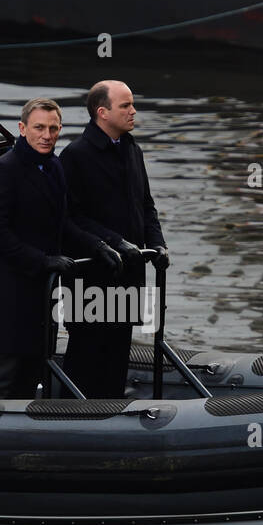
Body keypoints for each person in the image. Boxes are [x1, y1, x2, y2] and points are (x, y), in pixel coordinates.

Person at [0, 97, 121, 400]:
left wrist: (97, 245)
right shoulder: (3, 170)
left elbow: (63, 221)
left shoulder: (54, 165)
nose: (47, 135)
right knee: (3, 375)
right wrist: (43, 261)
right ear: (22, 128)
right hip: (11, 293)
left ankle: (22, 439)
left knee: (33, 373)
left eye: (54, 128)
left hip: (44, 292)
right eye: (39, 128)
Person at [59, 80, 169, 398]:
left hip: (130, 274)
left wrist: (158, 243)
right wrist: (113, 241)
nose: (133, 111)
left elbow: (146, 206)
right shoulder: (76, 155)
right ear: (102, 112)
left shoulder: (132, 149)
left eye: (132, 104)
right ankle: (71, 422)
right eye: (126, 105)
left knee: (119, 353)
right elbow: (69, 218)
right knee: (86, 355)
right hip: (91, 277)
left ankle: (111, 420)